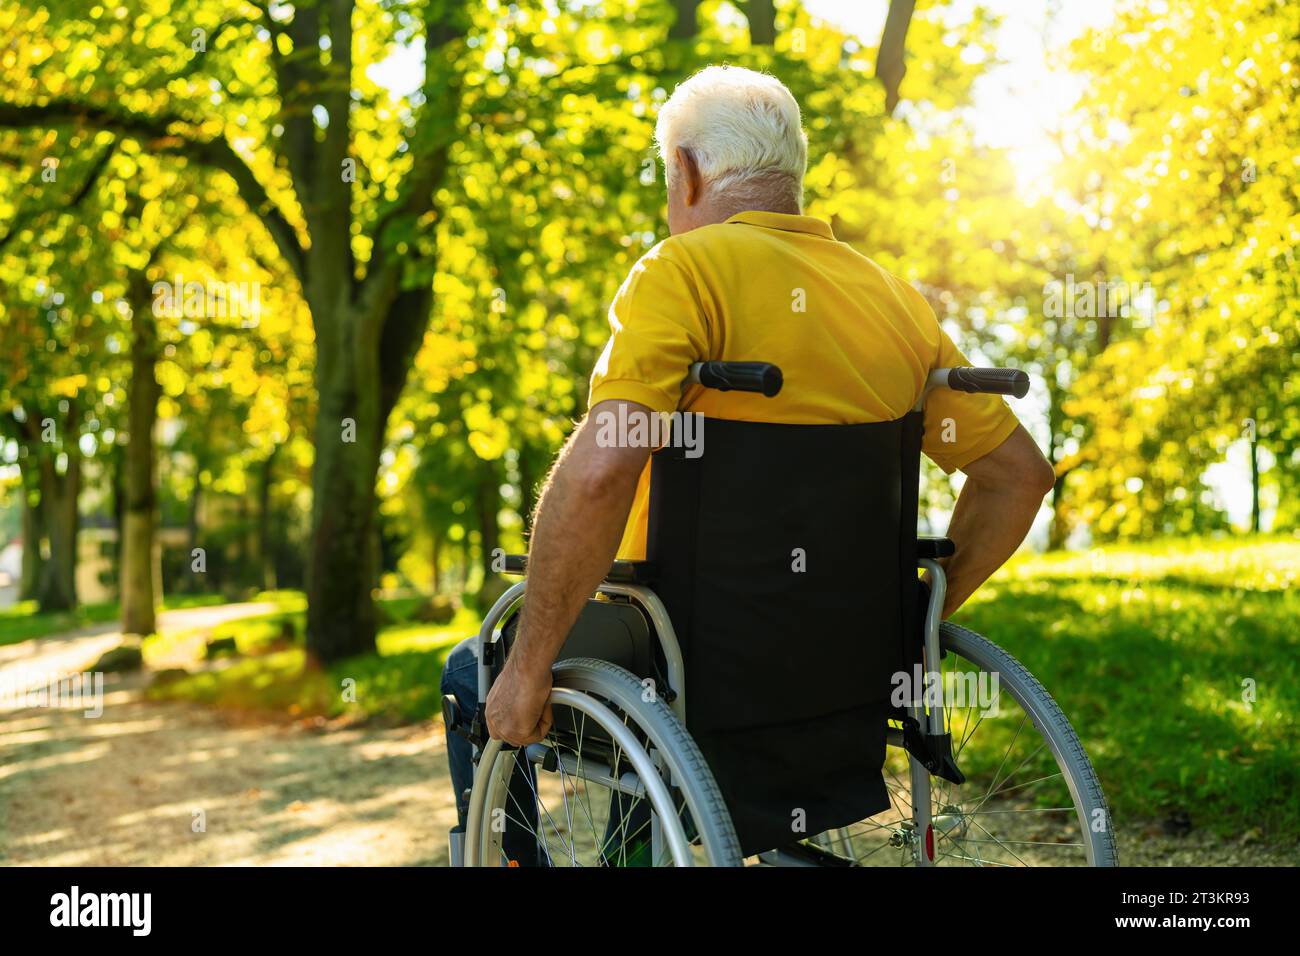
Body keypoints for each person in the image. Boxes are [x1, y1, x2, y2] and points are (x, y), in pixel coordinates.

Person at [440, 64, 1056, 858]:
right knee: (658, 692)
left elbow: (597, 475)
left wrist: (526, 670)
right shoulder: (895, 303)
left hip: (681, 664)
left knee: (474, 672)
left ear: (687, 172)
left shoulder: (683, 273)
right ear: (790, 175)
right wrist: (910, 628)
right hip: (843, 670)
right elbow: (1019, 476)